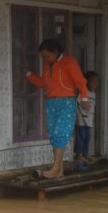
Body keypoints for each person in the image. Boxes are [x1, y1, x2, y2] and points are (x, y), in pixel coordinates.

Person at [25, 38, 91, 179]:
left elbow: (80, 82)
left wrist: (85, 98)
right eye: (43, 57)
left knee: (61, 133)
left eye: (47, 56)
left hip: (67, 102)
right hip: (51, 103)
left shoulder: (69, 62)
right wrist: (29, 76)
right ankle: (59, 171)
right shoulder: (47, 66)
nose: (45, 59)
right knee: (54, 136)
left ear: (56, 52)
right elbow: (44, 84)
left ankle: (55, 169)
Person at [75, 70, 99, 164]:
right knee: (81, 136)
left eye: (96, 82)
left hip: (89, 119)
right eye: (93, 81)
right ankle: (78, 155)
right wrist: (83, 115)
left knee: (87, 137)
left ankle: (85, 154)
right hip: (82, 119)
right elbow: (79, 102)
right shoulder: (83, 92)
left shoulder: (93, 93)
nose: (95, 84)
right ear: (86, 81)